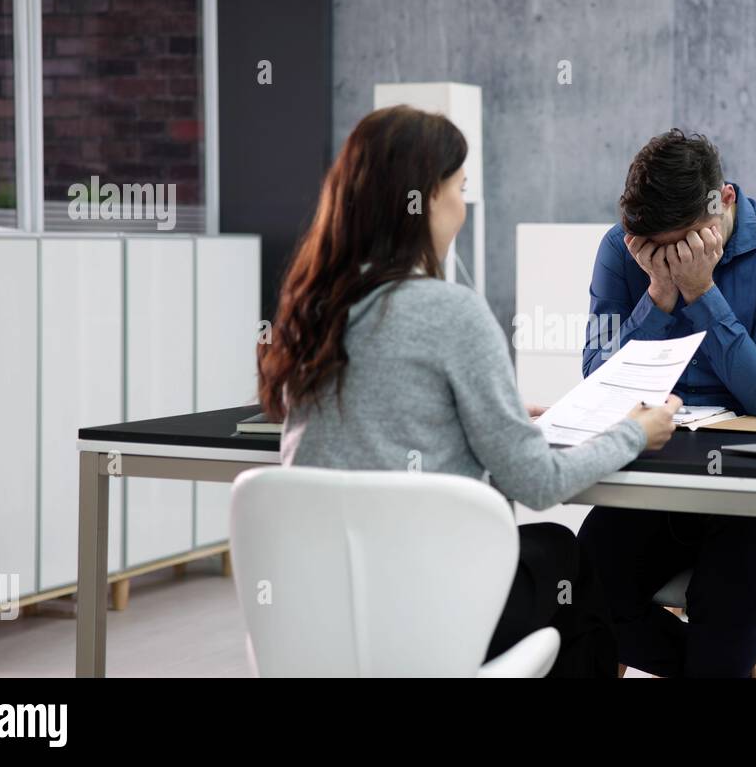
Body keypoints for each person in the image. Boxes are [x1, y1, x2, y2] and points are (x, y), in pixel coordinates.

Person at [257, 106, 680, 677]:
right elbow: (536, 482)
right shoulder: (452, 311)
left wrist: (488, 414)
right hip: (430, 611)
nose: (462, 206)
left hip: (320, 615)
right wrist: (635, 431)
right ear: (425, 200)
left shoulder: (310, 308)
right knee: (567, 564)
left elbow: (381, 416)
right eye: (458, 188)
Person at [577, 129, 756, 677]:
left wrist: (702, 291)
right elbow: (599, 379)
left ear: (724, 202)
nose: (665, 259)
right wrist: (659, 296)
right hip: (660, 475)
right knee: (578, 593)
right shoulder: (623, 249)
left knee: (725, 607)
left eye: (680, 246)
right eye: (654, 250)